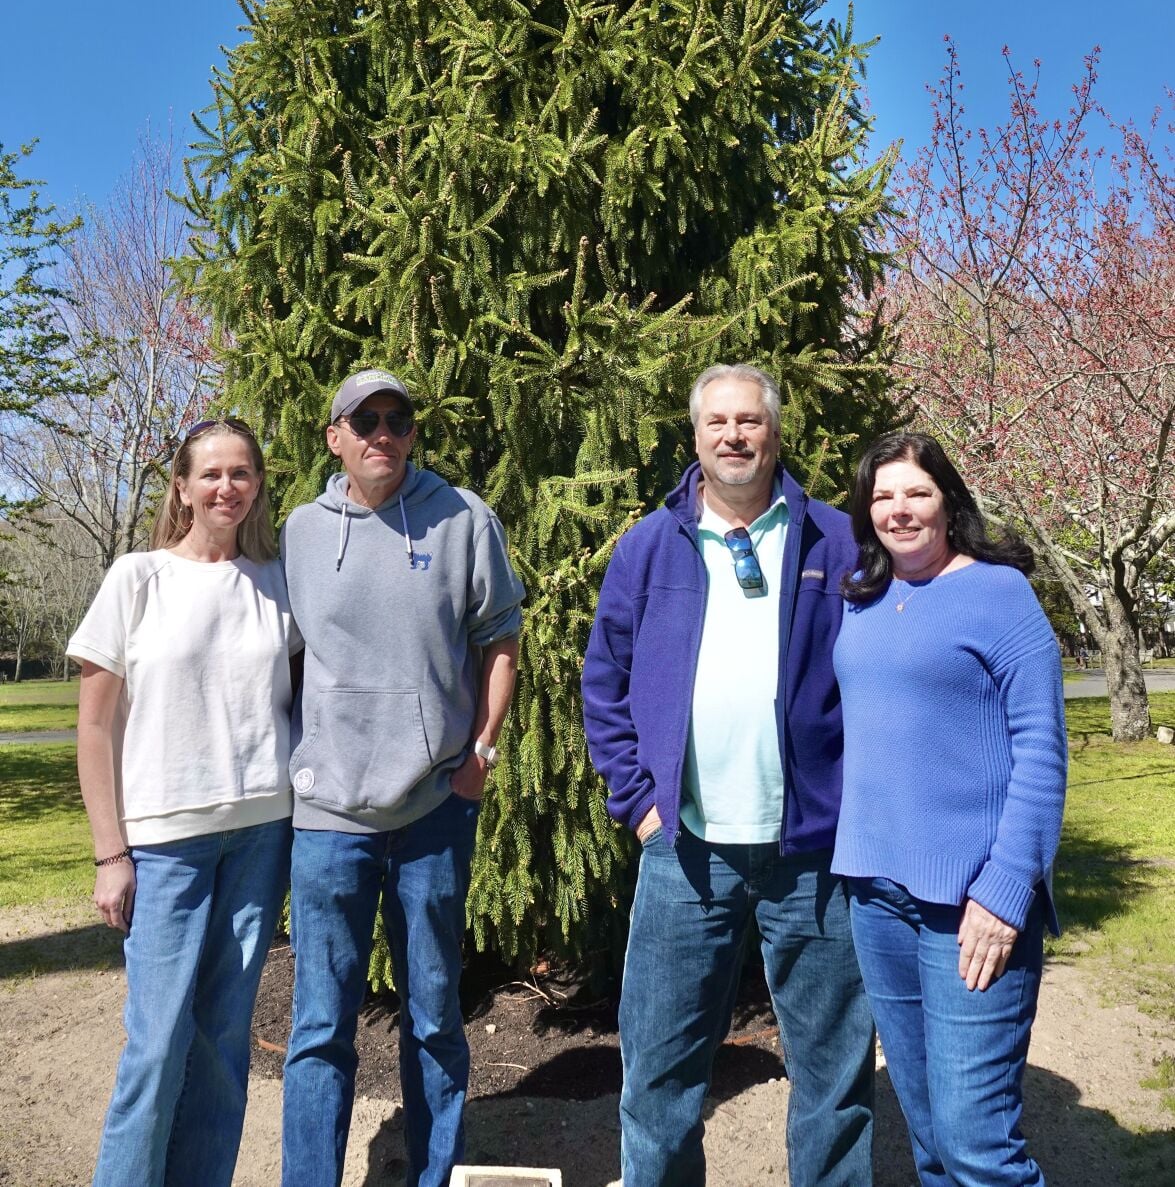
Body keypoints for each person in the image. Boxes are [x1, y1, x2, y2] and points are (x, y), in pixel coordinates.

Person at [582, 363, 875, 1187]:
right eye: (718, 422)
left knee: (831, 1075)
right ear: (695, 434)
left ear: (773, 430)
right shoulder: (649, 545)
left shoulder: (833, 538)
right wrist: (638, 804)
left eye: (749, 420)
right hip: (685, 851)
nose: (734, 435)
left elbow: (884, 666)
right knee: (659, 1076)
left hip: (811, 854)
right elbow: (602, 680)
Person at [280, 367, 523, 1187]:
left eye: (399, 418)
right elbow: (273, 660)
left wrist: (480, 752)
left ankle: (435, 1175)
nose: (385, 432)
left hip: (431, 813)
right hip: (326, 817)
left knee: (433, 1019)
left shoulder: (461, 519)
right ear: (335, 436)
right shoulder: (300, 532)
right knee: (319, 1026)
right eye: (366, 419)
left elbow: (501, 639)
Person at [832, 431, 1068, 1187]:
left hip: (972, 900)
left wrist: (1005, 891)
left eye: (916, 492)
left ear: (947, 501)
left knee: (976, 1144)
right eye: (882, 495)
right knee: (929, 1132)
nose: (898, 509)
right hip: (875, 894)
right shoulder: (861, 598)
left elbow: (1042, 748)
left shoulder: (998, 593)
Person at [69, 417, 298, 1187]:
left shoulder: (275, 580)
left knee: (223, 1040)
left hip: (261, 836)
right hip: (165, 844)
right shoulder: (137, 578)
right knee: (157, 1043)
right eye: (211, 473)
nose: (226, 486)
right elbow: (95, 727)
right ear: (182, 486)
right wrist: (111, 852)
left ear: (258, 483)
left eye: (241, 472)